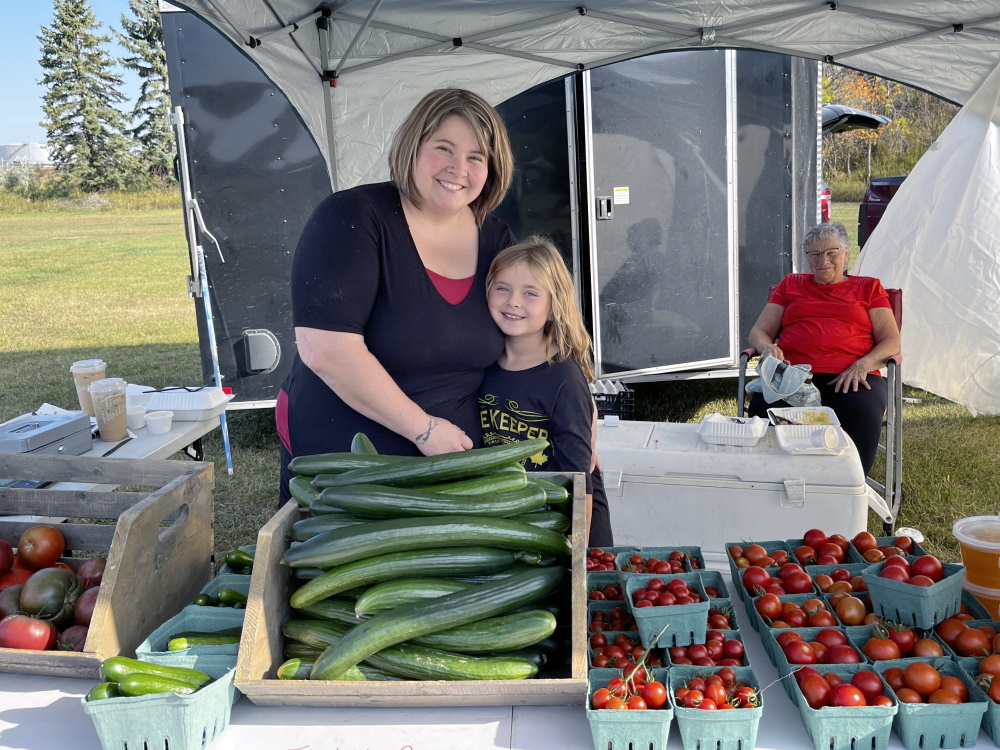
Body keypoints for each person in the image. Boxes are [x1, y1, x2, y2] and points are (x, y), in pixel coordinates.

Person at [276, 88, 516, 503]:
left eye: (477, 157)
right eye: (444, 148)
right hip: (349, 459)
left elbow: (531, 335)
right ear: (412, 146)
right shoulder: (352, 216)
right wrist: (425, 430)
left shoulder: (496, 237)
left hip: (453, 460)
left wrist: (573, 403)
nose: (459, 168)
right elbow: (326, 351)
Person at [478, 237, 614, 547]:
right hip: (513, 515)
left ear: (554, 305)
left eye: (530, 293)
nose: (514, 301)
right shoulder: (481, 365)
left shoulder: (563, 378)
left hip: (567, 523)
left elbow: (578, 479)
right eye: (502, 288)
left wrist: (576, 552)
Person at [746, 222, 901, 475]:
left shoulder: (869, 287)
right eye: (815, 254)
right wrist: (766, 348)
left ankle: (849, 482)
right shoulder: (791, 284)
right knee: (763, 409)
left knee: (861, 410)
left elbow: (891, 342)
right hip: (794, 376)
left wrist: (862, 365)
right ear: (807, 258)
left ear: (847, 254)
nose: (823, 261)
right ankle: (774, 477)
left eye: (832, 252)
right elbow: (758, 332)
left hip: (853, 375)